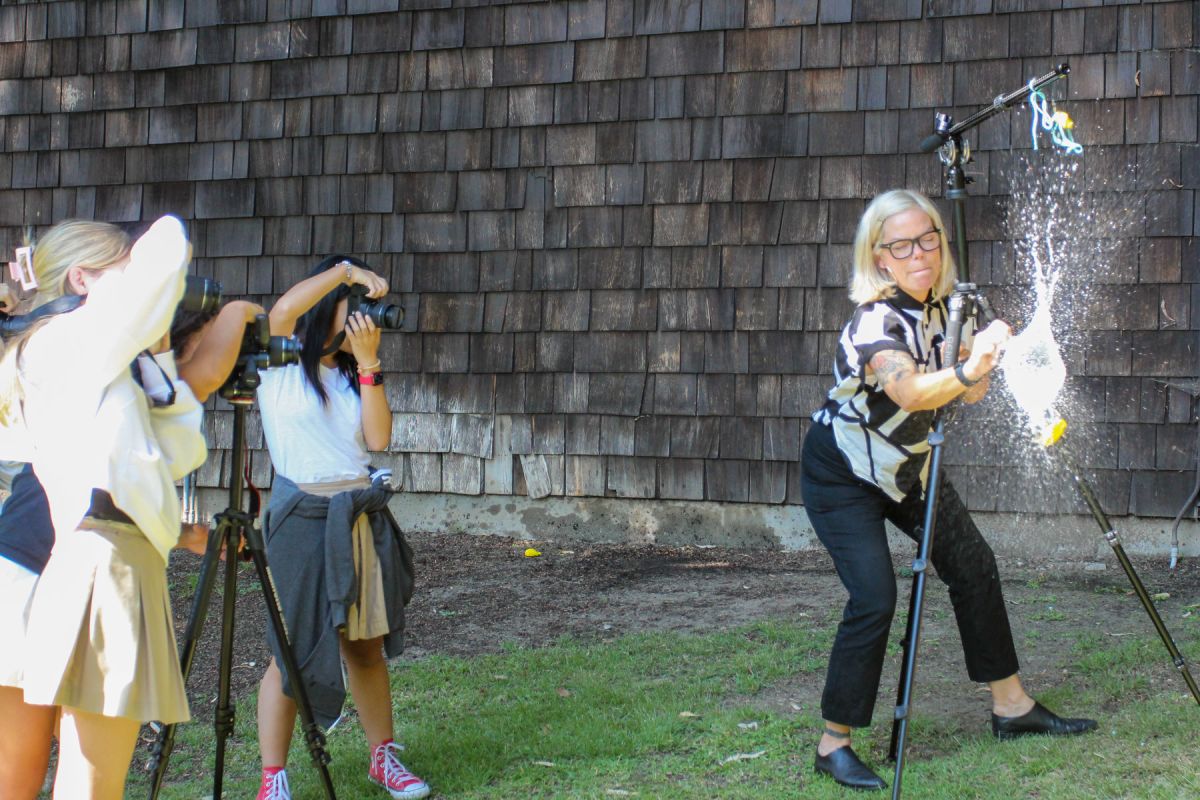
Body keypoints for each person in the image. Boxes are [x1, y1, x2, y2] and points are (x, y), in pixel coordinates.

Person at [800, 189, 1097, 792]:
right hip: (844, 474)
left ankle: (1011, 708)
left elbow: (969, 394)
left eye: (928, 238)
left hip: (909, 469)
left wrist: (984, 359)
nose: (919, 254)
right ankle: (834, 744)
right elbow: (909, 392)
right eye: (902, 245)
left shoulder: (944, 310)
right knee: (875, 597)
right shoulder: (874, 321)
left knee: (973, 564)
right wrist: (966, 367)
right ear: (879, 257)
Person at [0, 234, 262, 800]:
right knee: (90, 783)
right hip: (103, 559)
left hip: (123, 561)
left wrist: (162, 355)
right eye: (119, 271)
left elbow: (175, 454)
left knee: (93, 777)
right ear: (83, 280)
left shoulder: (105, 363)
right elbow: (168, 243)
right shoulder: (64, 342)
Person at [252, 256, 427, 800]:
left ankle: (383, 757)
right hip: (299, 516)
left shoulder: (357, 375)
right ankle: (273, 778)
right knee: (293, 650)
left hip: (355, 514)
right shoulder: (280, 363)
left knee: (365, 646)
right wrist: (348, 271)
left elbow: (377, 439)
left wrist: (370, 361)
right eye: (359, 312)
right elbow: (282, 310)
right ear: (330, 311)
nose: (367, 322)